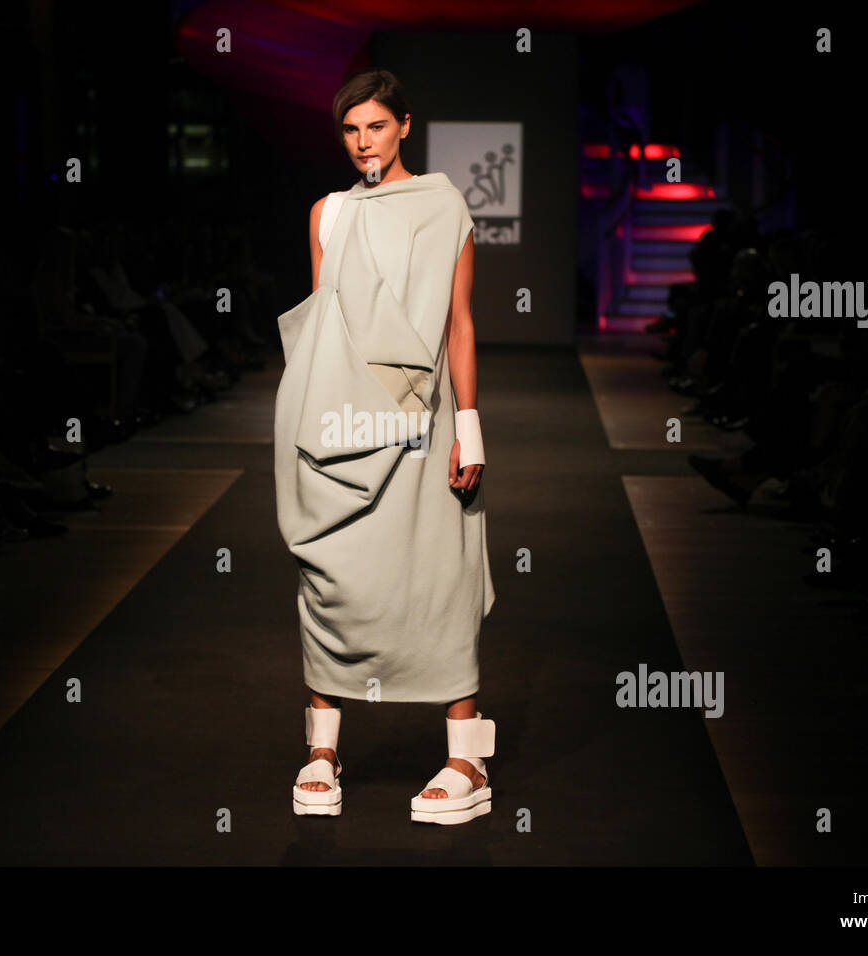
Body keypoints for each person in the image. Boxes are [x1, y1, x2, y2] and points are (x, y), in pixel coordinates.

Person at [274, 69, 497, 825]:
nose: (363, 141)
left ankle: (466, 757)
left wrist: (468, 427)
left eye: (375, 125)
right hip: (345, 427)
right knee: (331, 576)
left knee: (442, 576)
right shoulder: (328, 214)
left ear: (404, 124)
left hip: (425, 420)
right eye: (350, 129)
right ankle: (323, 751)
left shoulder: (442, 206)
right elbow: (323, 329)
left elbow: (458, 323)